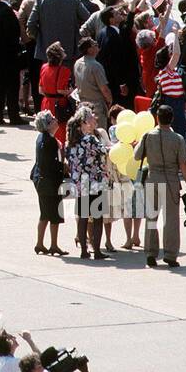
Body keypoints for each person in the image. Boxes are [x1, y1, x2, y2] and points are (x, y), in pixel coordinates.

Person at [135, 104, 186, 268]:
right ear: (172, 119)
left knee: (151, 218)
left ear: (156, 118)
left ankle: (150, 253)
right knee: (171, 220)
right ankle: (170, 254)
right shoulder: (177, 139)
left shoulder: (148, 136)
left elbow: (137, 156)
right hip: (171, 180)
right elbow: (184, 164)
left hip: (153, 178)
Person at [66, 106, 109, 260]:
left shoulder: (71, 141)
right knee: (97, 218)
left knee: (83, 217)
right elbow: (104, 151)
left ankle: (84, 250)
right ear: (84, 121)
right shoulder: (89, 139)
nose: (94, 119)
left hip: (80, 184)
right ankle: (96, 250)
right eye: (91, 116)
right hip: (95, 182)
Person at [33, 110, 67, 255]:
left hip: (41, 180)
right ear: (47, 125)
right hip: (50, 182)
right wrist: (64, 168)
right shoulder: (50, 142)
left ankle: (40, 243)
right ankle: (53, 245)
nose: (55, 120)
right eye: (52, 119)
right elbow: (52, 164)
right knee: (54, 216)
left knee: (45, 214)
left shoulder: (41, 137)